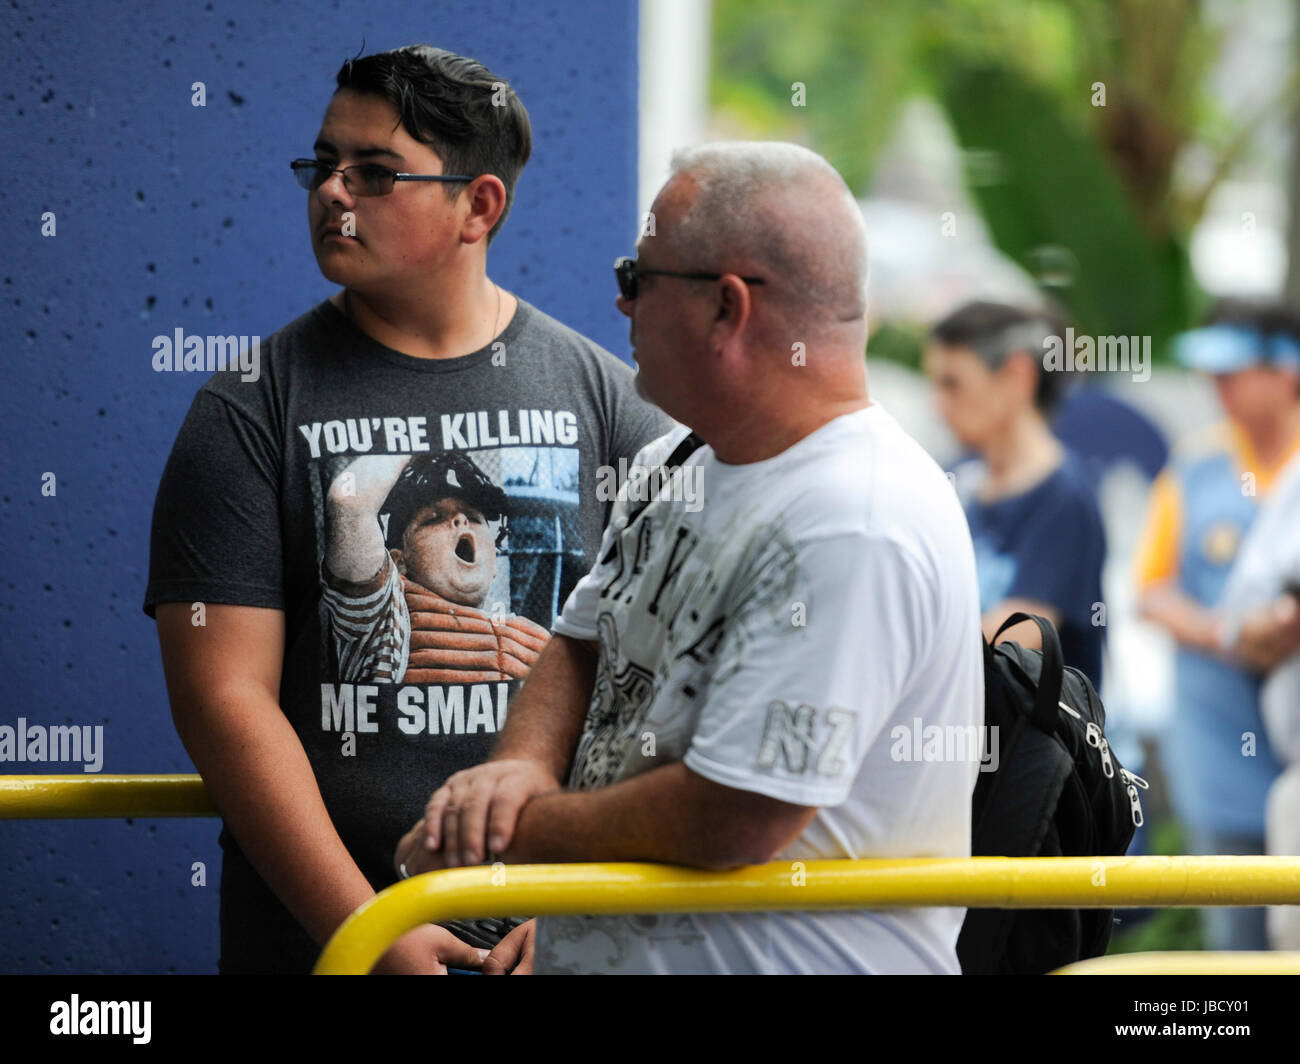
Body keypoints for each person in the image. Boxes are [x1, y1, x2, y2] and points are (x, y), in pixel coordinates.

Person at [396, 141, 985, 975]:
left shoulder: (854, 518)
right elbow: (584, 637)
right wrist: (519, 768)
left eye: (639, 278)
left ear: (726, 307)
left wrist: (507, 830)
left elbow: (739, 813)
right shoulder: (680, 460)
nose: (619, 302)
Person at [144, 44, 668, 974]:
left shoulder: (604, 398)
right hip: (322, 946)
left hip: (564, 940)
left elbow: (664, 683)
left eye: (376, 172)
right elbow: (222, 697)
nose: (332, 192)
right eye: (324, 165)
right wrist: (362, 927)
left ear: (480, 205)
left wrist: (592, 904)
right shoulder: (251, 403)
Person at [1133, 299, 1300, 950]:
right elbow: (1151, 591)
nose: (1217, 388)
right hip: (1220, 750)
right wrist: (1229, 635)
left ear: (1286, 370)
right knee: (1241, 951)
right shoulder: (1195, 466)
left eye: (1233, 372)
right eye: (1209, 373)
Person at [922, 301, 1107, 689]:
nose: (939, 406)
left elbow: (1012, 640)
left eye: (953, 384)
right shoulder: (954, 480)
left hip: (1029, 743)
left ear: (1016, 377)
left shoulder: (1063, 497)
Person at [321, 451, 548, 684]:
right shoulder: (383, 621)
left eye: (474, 517)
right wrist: (419, 440)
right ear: (399, 562)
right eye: (434, 518)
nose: (461, 519)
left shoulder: (533, 643)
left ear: (493, 564)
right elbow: (347, 501)